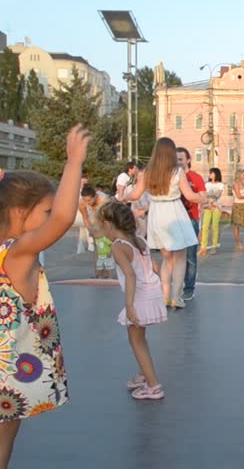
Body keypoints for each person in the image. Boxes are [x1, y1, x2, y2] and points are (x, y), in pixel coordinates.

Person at [0, 125, 88, 468]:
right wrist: (73, 162)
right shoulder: (17, 254)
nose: (50, 218)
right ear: (21, 212)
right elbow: (66, 217)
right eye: (45, 212)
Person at [98, 201, 168, 400]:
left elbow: (130, 275)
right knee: (140, 339)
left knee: (135, 341)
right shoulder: (139, 240)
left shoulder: (118, 247)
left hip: (139, 297)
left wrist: (129, 306)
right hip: (152, 292)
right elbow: (153, 266)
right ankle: (144, 375)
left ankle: (153, 386)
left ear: (109, 226)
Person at [125, 138, 205, 309]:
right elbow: (190, 196)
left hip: (157, 214)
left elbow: (135, 195)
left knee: (166, 259)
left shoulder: (147, 173)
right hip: (175, 212)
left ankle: (165, 296)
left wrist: (122, 196)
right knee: (180, 257)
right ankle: (176, 297)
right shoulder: (177, 172)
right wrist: (204, 198)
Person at [177, 148, 206, 301]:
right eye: (175, 159)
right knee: (174, 256)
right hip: (174, 220)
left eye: (180, 159)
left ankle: (189, 288)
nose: (178, 162)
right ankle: (175, 287)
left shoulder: (195, 177)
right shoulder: (172, 176)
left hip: (191, 220)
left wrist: (195, 197)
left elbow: (202, 196)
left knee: (190, 257)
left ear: (188, 160)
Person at [199, 168, 224, 256]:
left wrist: (212, 202)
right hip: (207, 207)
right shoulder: (207, 184)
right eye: (209, 173)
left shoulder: (220, 185)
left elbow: (217, 195)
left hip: (217, 207)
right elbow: (204, 195)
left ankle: (214, 246)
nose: (210, 174)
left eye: (211, 173)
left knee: (214, 226)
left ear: (216, 174)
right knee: (205, 227)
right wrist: (209, 204)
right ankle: (203, 247)